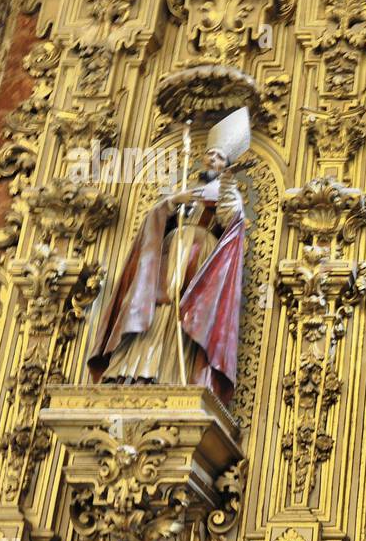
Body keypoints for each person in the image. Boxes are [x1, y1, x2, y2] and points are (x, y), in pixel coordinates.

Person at [87, 108, 250, 401]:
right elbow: (157, 220)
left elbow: (231, 219)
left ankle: (179, 375)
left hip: (202, 257)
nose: (213, 160)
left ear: (227, 163)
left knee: (187, 311)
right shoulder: (187, 189)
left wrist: (226, 187)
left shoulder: (228, 191)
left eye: (219, 157)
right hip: (173, 250)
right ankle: (136, 372)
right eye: (210, 155)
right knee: (158, 303)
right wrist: (173, 202)